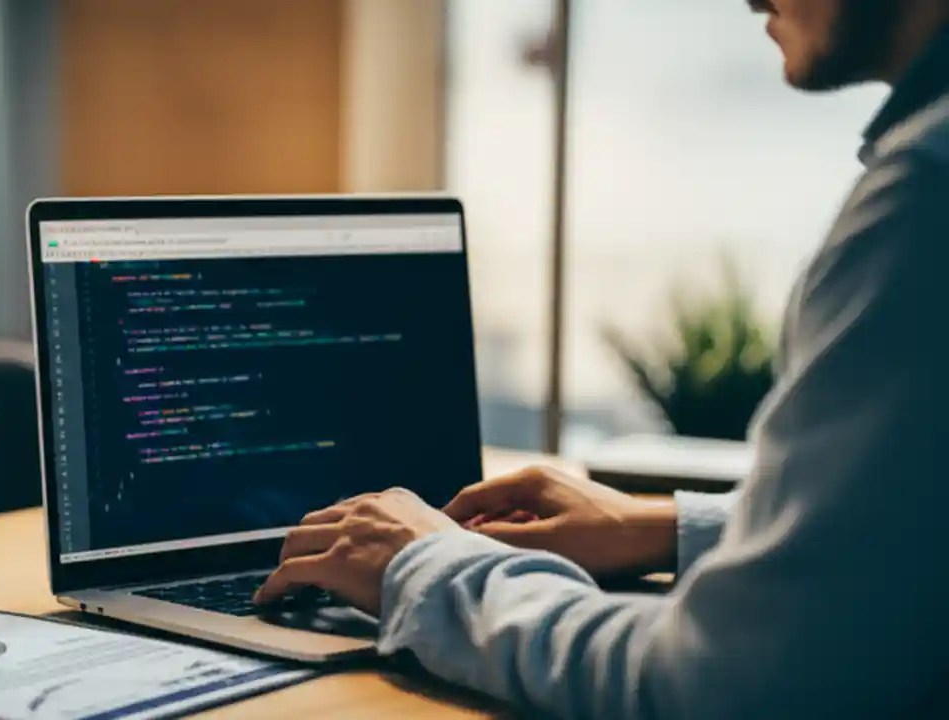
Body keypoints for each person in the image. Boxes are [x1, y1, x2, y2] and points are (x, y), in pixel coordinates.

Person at [254, 1, 949, 717]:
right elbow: (912, 532)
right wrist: (660, 529)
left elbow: (715, 686)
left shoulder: (924, 198)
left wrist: (425, 566)